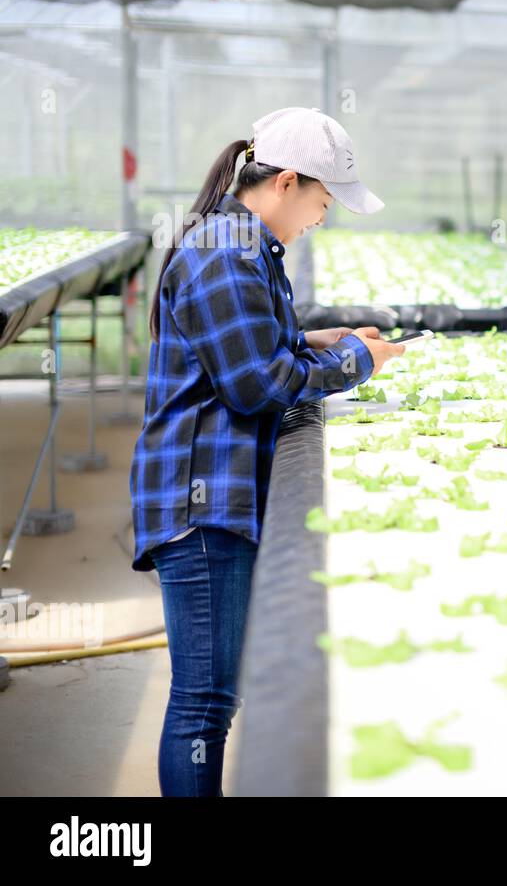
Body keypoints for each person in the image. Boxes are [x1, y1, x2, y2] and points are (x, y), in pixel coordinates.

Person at [128, 107, 406, 796]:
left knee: (213, 697)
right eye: (321, 202)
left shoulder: (241, 243)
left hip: (212, 493)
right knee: (204, 704)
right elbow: (258, 384)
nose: (322, 219)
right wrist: (355, 362)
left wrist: (320, 337)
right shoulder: (229, 251)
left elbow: (251, 342)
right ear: (285, 183)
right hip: (203, 505)